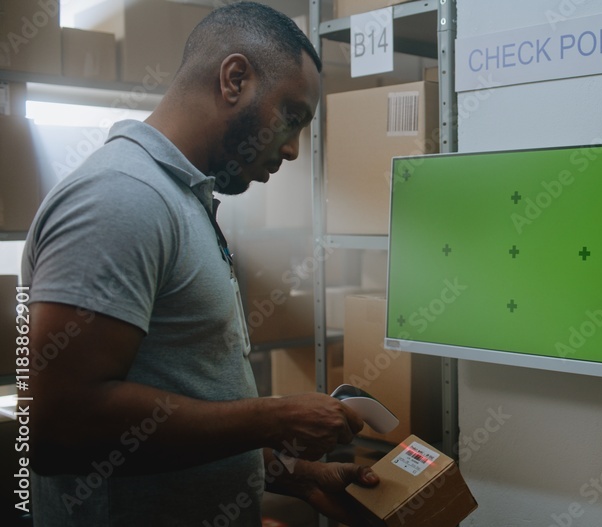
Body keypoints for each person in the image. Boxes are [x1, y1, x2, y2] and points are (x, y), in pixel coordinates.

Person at [21, 3, 379, 525]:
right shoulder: (124, 198)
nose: (295, 149)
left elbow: (183, 399)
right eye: (292, 117)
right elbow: (56, 427)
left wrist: (299, 476)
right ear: (234, 78)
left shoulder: (181, 199)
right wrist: (275, 417)